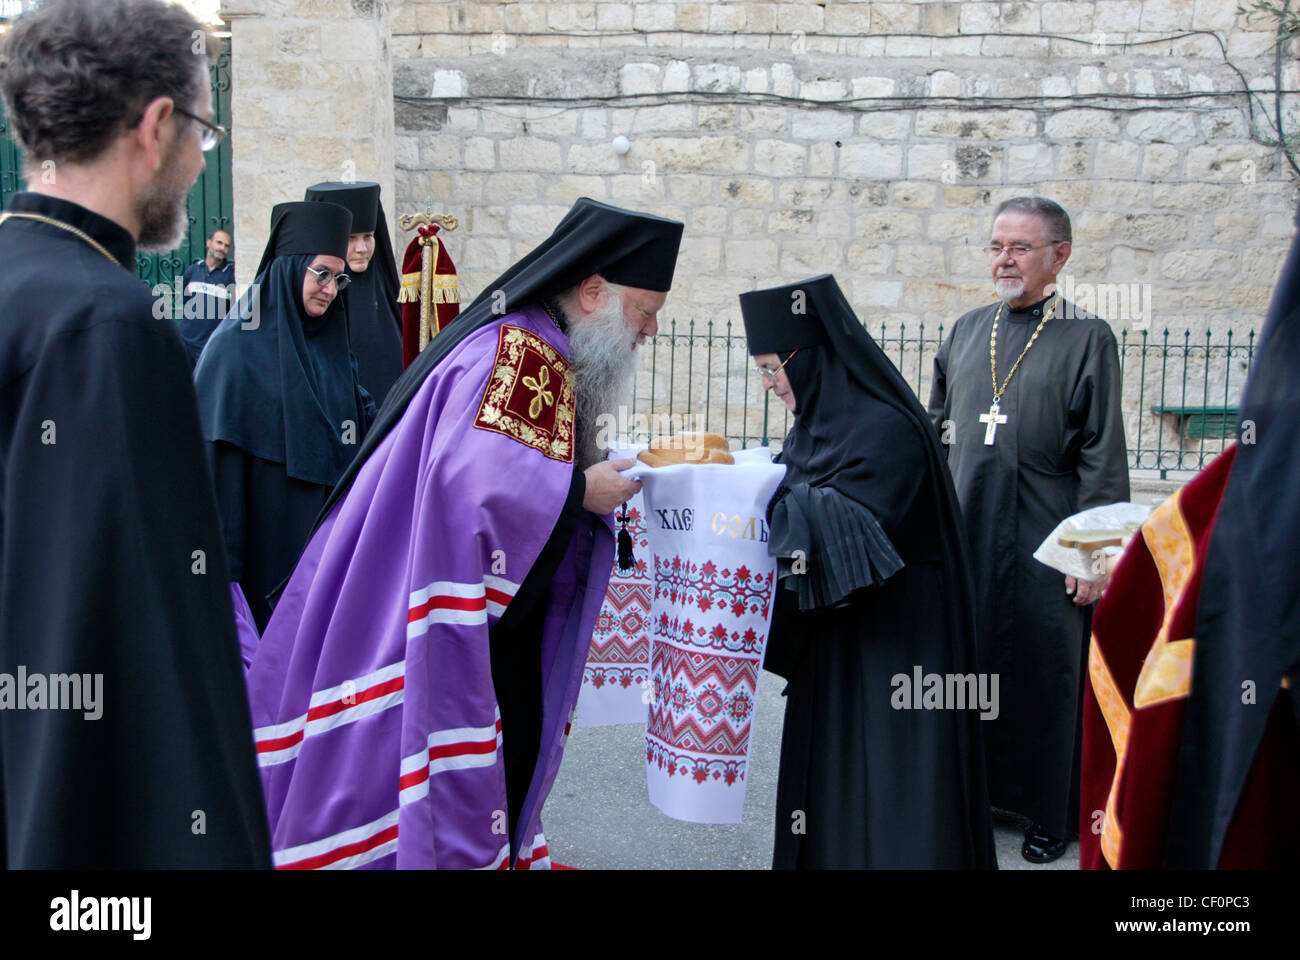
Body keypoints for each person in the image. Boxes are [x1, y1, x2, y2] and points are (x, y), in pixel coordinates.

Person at [244, 197, 683, 869]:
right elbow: (472, 493)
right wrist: (579, 489)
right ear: (592, 292)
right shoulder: (525, 356)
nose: (649, 331)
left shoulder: (528, 340)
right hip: (480, 634)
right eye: (644, 312)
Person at [0, 0, 269, 867]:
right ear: (155, 128)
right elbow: (150, 647)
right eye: (202, 130)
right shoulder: (108, 324)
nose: (199, 160)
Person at [740, 275, 997, 869]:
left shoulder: (889, 431)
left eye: (773, 368)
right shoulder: (820, 423)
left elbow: (853, 531)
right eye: (764, 371)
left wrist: (771, 498)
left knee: (893, 793)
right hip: (838, 645)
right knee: (832, 783)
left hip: (898, 650)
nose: (771, 385)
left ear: (814, 360)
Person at [928, 196, 1129, 863]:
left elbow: (1102, 453)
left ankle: (1052, 814)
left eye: (1020, 247)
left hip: (1051, 536)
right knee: (971, 667)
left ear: (1059, 256)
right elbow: (935, 433)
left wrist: (1092, 554)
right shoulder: (964, 330)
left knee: (1051, 675)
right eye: (996, 246)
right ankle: (975, 798)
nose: (1004, 259)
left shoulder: (1087, 335)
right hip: (970, 531)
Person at [194, 200, 375, 633]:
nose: (330, 290)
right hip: (262, 560)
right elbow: (216, 482)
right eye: (321, 274)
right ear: (290, 268)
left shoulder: (331, 348)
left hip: (325, 556)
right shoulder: (233, 352)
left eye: (338, 278)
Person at [304, 180, 403, 405]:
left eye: (368, 236)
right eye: (350, 238)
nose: (362, 248)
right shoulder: (316, 303)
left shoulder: (387, 299)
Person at [178, 227, 235, 364]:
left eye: (226, 246)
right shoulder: (192, 271)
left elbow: (233, 312)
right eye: (219, 243)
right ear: (208, 243)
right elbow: (184, 301)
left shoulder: (231, 276)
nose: (222, 248)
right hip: (185, 341)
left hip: (210, 345)